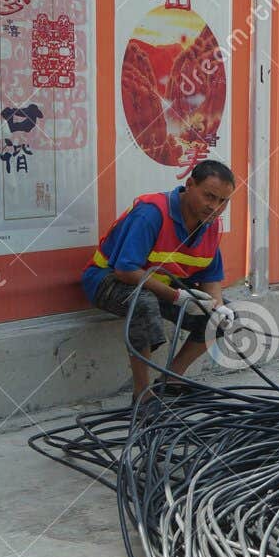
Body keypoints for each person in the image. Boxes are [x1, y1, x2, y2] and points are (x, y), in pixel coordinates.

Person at [83, 160, 236, 397]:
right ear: (190, 185)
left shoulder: (211, 225)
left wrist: (218, 308)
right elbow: (125, 270)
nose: (215, 207)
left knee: (222, 315)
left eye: (223, 201)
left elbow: (211, 277)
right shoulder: (152, 213)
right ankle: (142, 395)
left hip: (158, 285)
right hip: (108, 281)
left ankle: (171, 380)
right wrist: (177, 296)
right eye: (209, 196)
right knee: (144, 303)